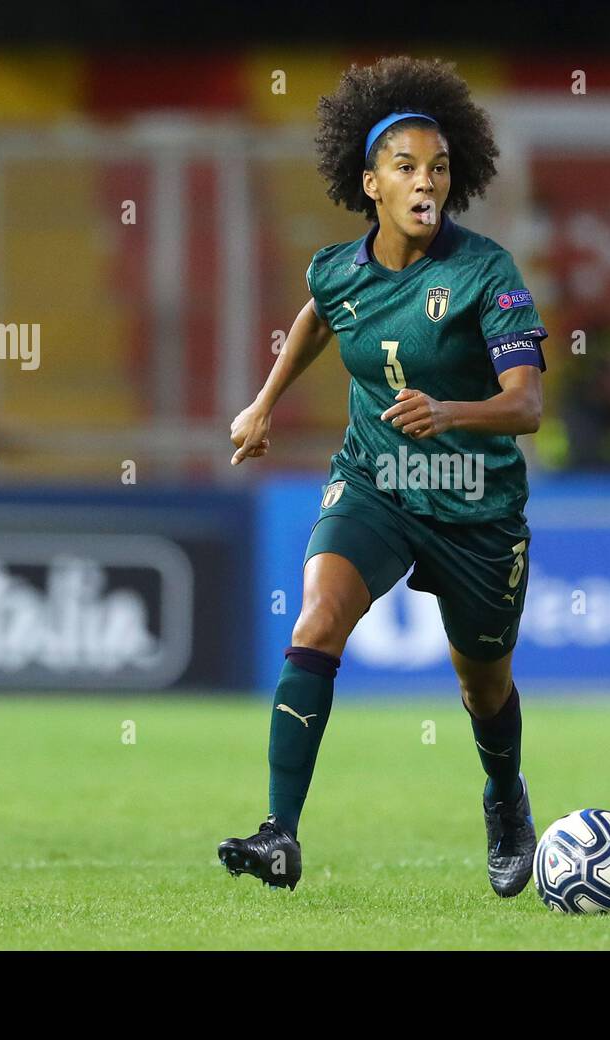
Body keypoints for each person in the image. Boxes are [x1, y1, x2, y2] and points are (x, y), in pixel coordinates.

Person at [217, 56, 548, 896]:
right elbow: (319, 317)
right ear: (371, 182)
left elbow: (528, 406)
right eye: (405, 167)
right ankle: (279, 832)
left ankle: (505, 797)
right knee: (320, 617)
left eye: (438, 167)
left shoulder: (486, 273)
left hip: (476, 504)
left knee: (484, 684)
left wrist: (449, 413)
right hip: (376, 481)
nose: (425, 180)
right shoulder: (338, 268)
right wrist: (261, 405)